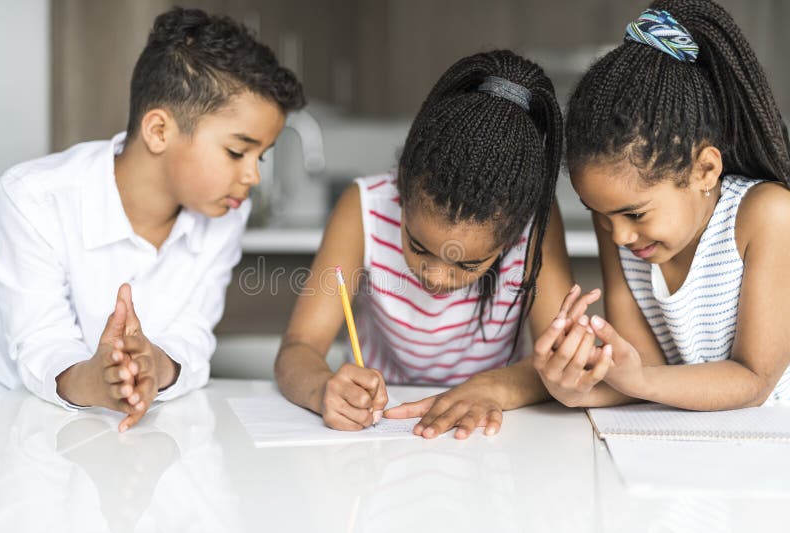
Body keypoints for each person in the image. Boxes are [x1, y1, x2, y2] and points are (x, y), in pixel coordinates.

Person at [0, 7, 304, 431]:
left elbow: (193, 333)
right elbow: (40, 341)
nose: (253, 176)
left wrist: (157, 364)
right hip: (22, 429)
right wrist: (97, 379)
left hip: (143, 435)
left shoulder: (227, 214)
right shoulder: (33, 198)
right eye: (236, 152)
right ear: (158, 131)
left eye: (260, 157)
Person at [275, 50, 578, 438]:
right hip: (380, 432)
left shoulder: (536, 225)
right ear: (402, 187)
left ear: (515, 231)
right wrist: (321, 388)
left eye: (467, 265)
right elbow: (298, 348)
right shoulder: (363, 207)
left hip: (491, 436)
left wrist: (492, 388)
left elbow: (560, 362)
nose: (435, 276)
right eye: (418, 247)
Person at [534, 0, 790, 410]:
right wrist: (573, 389)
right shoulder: (619, 228)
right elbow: (643, 371)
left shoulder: (768, 216)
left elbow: (753, 380)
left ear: (705, 170)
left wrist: (639, 381)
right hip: (680, 436)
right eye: (598, 213)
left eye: (635, 213)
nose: (619, 234)